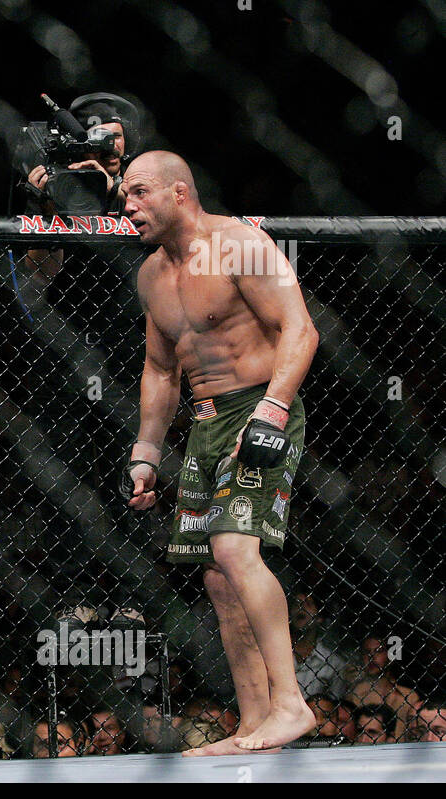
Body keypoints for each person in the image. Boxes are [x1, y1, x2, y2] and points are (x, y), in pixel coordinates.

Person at [120, 150, 320, 754]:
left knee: (236, 549)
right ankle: (256, 721)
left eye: (139, 193)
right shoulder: (150, 275)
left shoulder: (240, 244)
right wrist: (146, 452)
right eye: (124, 197)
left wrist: (272, 411)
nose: (128, 207)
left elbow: (300, 328)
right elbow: (160, 371)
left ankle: (292, 702)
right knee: (217, 577)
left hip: (261, 405)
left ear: (180, 193)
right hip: (205, 427)